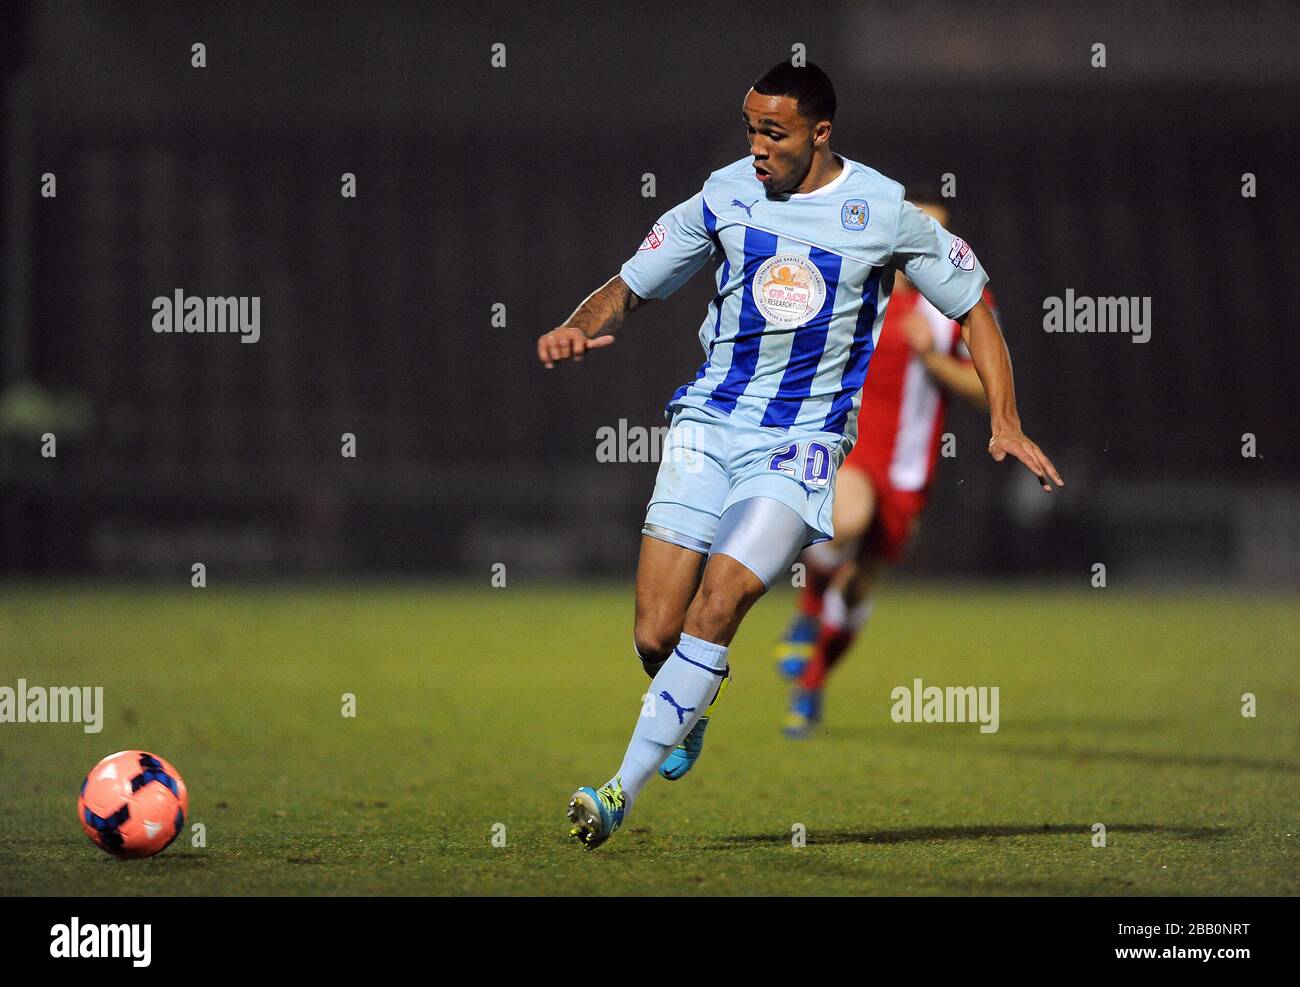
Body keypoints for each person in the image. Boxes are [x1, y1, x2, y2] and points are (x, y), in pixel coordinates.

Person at [536, 62, 1062, 849]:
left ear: (819, 133)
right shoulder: (724, 194)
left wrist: (1007, 420)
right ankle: (694, 696)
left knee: (718, 605)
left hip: (801, 446)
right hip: (706, 428)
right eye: (750, 128)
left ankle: (617, 791)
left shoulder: (882, 211)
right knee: (656, 634)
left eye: (772, 133)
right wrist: (577, 323)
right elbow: (629, 283)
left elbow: (974, 303)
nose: (756, 146)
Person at [775, 188, 994, 737]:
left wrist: (930, 357)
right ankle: (807, 608)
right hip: (852, 445)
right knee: (847, 520)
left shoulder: (962, 308)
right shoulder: (859, 291)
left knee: (860, 587)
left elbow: (986, 389)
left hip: (910, 468)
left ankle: (812, 685)